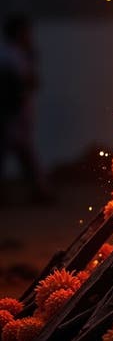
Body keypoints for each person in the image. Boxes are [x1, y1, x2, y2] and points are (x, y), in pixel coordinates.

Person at [0, 13, 50, 201]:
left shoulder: (15, 53)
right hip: (12, 112)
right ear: (18, 33)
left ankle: (38, 189)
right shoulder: (10, 55)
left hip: (17, 111)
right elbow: (24, 82)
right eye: (26, 32)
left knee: (20, 149)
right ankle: (39, 190)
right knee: (21, 149)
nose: (30, 35)